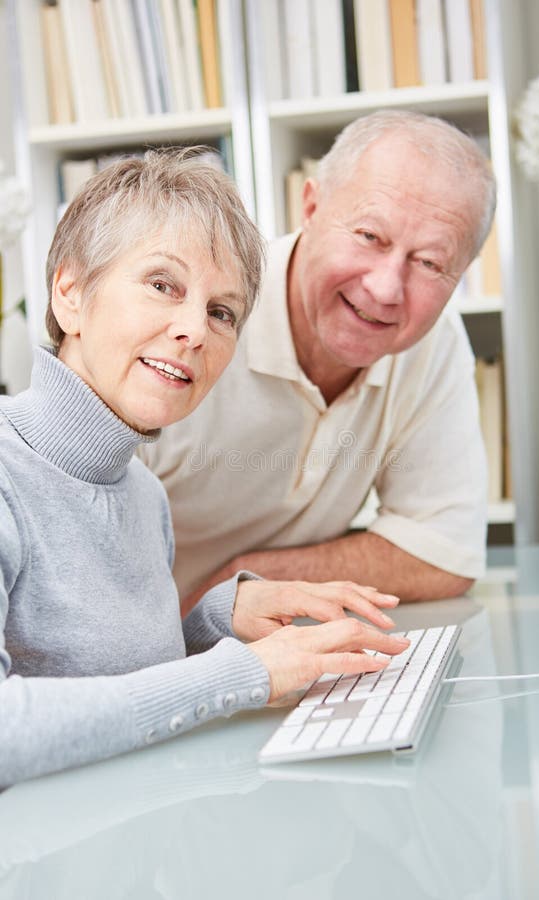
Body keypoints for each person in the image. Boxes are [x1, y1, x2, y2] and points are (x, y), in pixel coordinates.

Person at [0, 148, 409, 788]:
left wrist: (217, 619)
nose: (195, 331)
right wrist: (245, 674)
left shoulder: (142, 492)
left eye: (222, 312)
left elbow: (110, 680)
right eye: (163, 285)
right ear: (70, 293)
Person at [139, 111, 496, 616]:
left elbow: (444, 553)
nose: (386, 288)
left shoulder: (431, 343)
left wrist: (245, 579)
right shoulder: (190, 317)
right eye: (370, 236)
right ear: (309, 206)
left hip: (256, 652)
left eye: (430, 263)